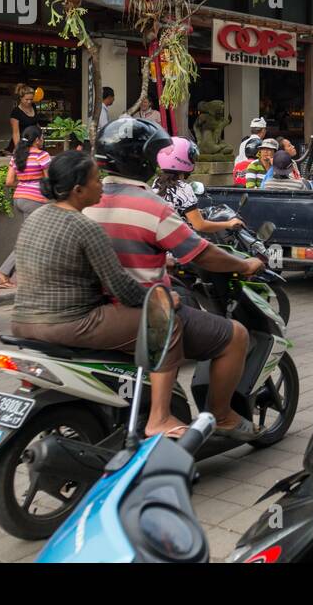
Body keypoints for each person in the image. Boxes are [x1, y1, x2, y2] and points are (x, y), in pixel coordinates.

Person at [87, 118, 267, 440]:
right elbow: (201, 253)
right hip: (143, 311)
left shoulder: (86, 200)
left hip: (98, 310)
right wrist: (243, 265)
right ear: (143, 159)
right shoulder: (152, 205)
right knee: (236, 335)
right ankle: (221, 415)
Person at [10, 151, 187, 437]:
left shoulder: (37, 215)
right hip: (69, 323)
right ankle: (160, 417)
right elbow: (121, 286)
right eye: (96, 180)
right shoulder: (85, 226)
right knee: (167, 323)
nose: (102, 184)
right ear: (78, 190)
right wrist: (161, 300)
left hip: (22, 322)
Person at [0, 126, 51, 289]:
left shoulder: (17, 156)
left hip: (19, 198)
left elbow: (9, 181)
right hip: (35, 200)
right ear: (37, 140)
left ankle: (35, 275)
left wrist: (25, 184)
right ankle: (5, 272)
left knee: (36, 238)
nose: (42, 140)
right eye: (41, 137)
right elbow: (49, 181)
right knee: (31, 239)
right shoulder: (42, 156)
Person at [153, 137, 246, 234]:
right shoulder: (183, 188)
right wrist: (229, 224)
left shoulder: (157, 182)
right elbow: (200, 225)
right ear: (183, 159)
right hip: (176, 242)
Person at [8, 84, 38, 152]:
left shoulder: (33, 106)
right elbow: (16, 133)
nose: (29, 102)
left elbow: (35, 123)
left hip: (34, 141)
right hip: (22, 143)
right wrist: (19, 149)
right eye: (26, 99)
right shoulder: (16, 112)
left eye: (31, 99)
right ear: (21, 98)